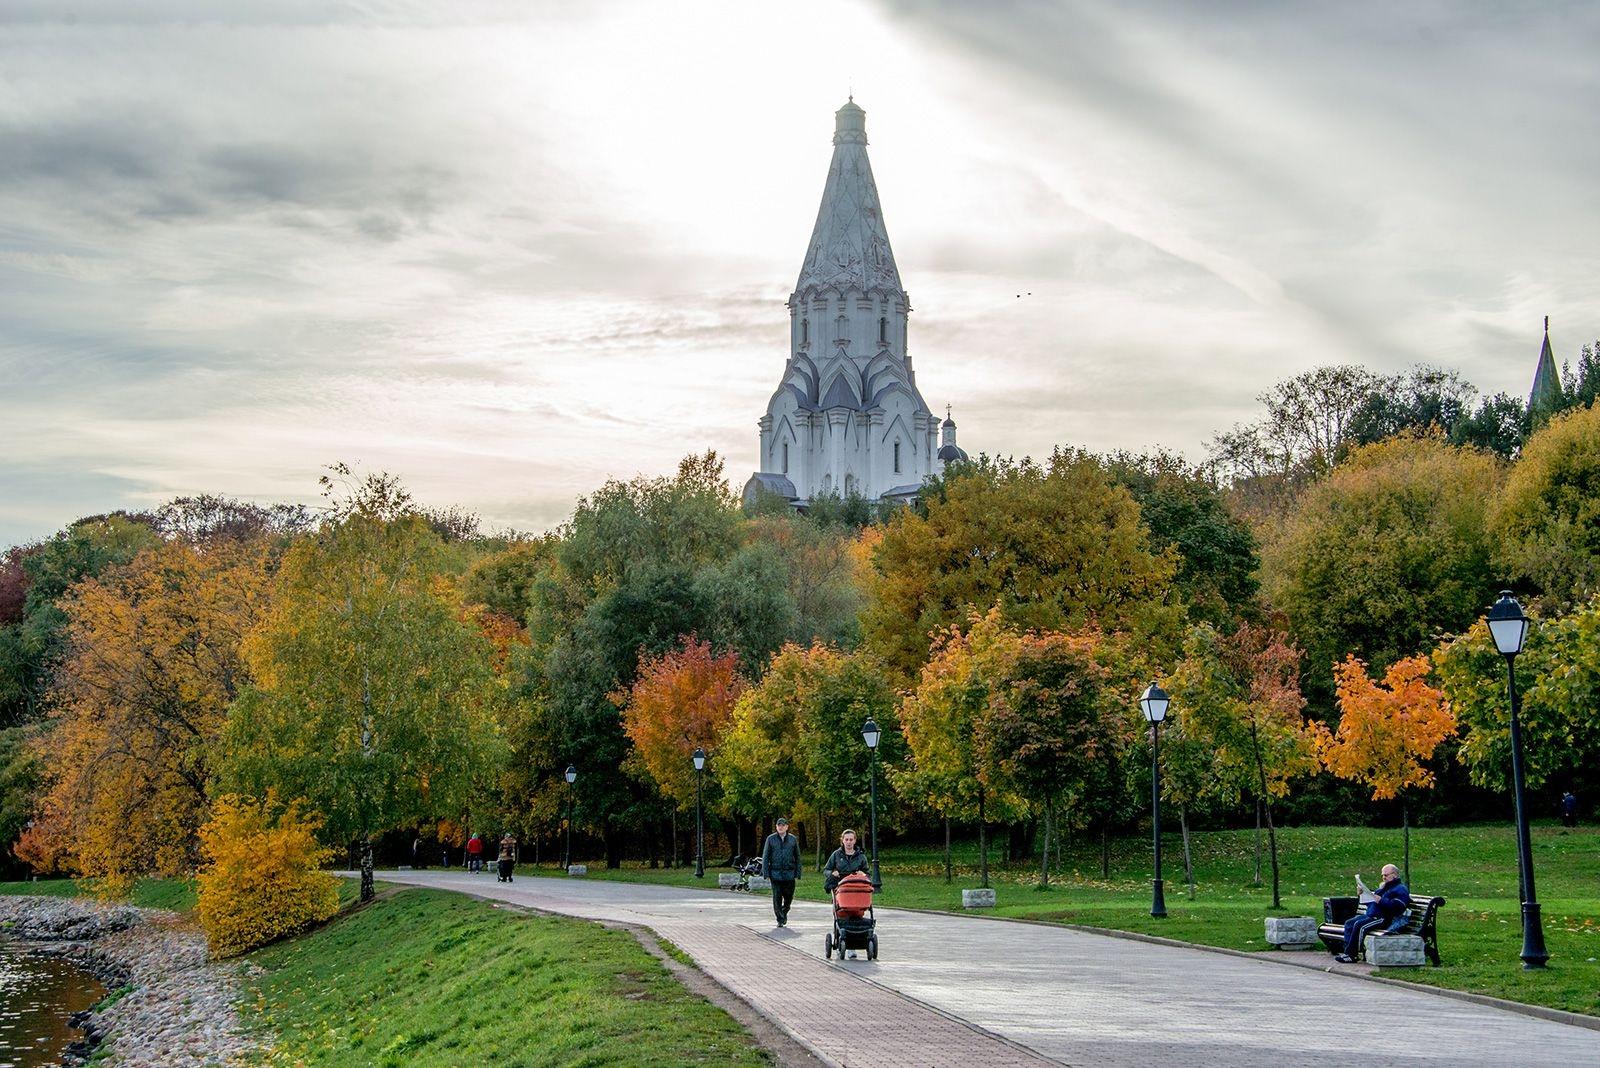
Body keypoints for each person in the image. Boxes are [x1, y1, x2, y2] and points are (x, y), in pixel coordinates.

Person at [1336, 863, 1409, 963]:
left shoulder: (1400, 889)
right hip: (1371, 915)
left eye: (1386, 875)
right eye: (1382, 875)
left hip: (1383, 918)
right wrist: (1362, 895)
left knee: (1359, 926)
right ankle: (1347, 952)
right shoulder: (1383, 888)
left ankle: (1352, 955)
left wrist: (1381, 900)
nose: (1384, 877)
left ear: (1394, 875)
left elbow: (1398, 907)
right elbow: (1371, 903)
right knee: (1349, 923)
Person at [761, 817, 801, 927]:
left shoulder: (792, 839)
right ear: (776, 827)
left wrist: (798, 872)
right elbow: (765, 856)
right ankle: (780, 918)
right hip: (775, 874)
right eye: (779, 825)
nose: (781, 827)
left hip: (789, 874)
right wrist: (766, 873)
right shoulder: (771, 839)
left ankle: (785, 911)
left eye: (783, 825)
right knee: (777, 897)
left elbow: (797, 856)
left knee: (789, 897)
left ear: (787, 827)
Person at [823, 829, 870, 893]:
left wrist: (864, 875)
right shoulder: (836, 854)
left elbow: (868, 874)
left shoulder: (861, 856)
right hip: (840, 887)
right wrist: (832, 873)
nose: (848, 842)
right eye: (846, 839)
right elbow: (826, 870)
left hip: (857, 887)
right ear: (842, 840)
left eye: (851, 840)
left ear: (854, 841)